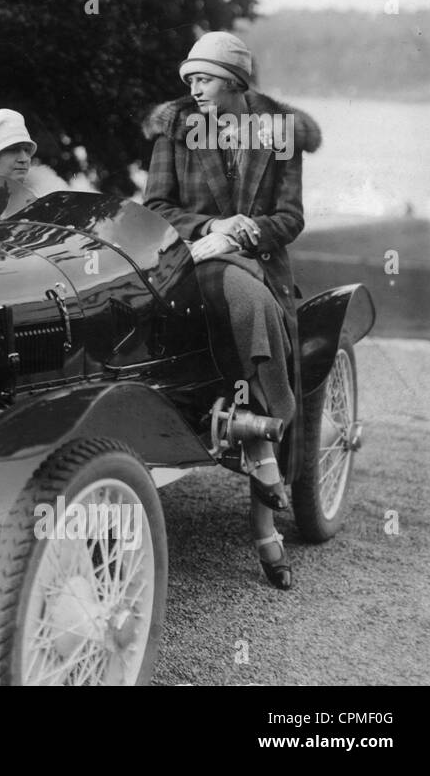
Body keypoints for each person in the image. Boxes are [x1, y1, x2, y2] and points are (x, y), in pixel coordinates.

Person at [144, 31, 321, 590]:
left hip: (262, 263)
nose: (194, 89)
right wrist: (214, 226)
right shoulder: (175, 130)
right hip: (195, 260)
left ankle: (264, 474)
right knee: (233, 299)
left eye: (205, 79)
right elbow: (155, 208)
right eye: (190, 80)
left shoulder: (278, 135)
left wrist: (253, 231)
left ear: (236, 83)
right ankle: (266, 480)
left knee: (252, 299)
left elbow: (291, 218)